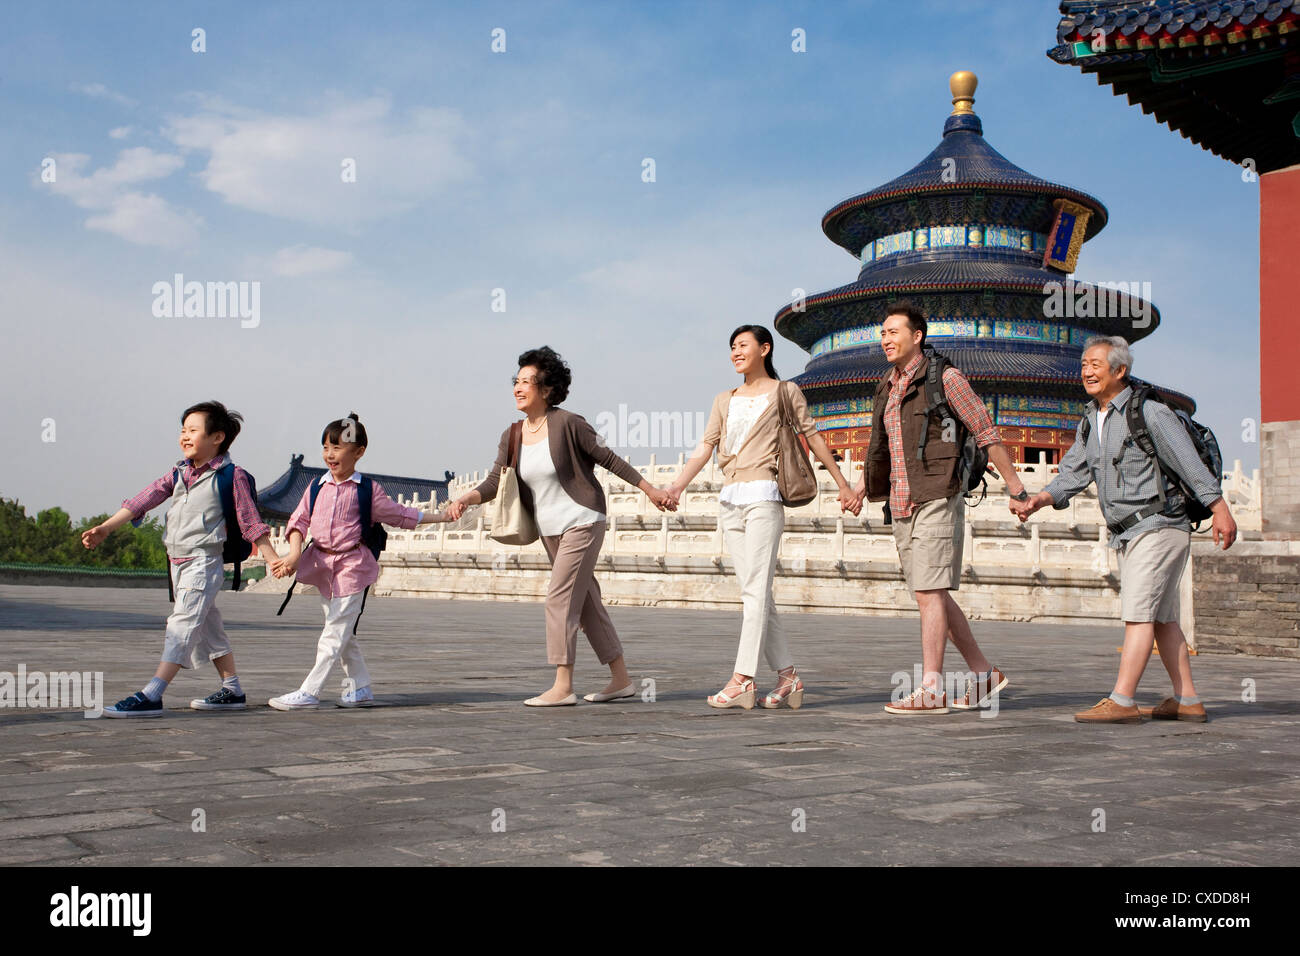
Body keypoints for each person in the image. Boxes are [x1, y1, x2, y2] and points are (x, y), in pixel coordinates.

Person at [1012, 336, 1237, 724]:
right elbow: (1072, 472)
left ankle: (1123, 699)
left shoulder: (1149, 413)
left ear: (1120, 371)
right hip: (1127, 532)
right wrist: (1038, 500)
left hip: (1158, 524)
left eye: (1096, 364)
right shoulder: (1091, 420)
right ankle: (1187, 699)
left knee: (1138, 615)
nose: (1087, 370)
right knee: (1163, 620)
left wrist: (1220, 508)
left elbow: (1188, 462)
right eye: (1084, 364)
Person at [445, 347, 676, 706]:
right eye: (516, 381)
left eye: (526, 382)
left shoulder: (571, 423)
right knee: (586, 604)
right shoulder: (513, 435)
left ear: (546, 389)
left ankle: (562, 684)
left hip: (582, 521)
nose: (517, 388)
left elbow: (609, 458)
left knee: (559, 598)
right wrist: (466, 498)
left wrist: (650, 490)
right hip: (550, 531)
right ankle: (622, 680)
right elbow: (495, 481)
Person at [666, 325, 860, 710]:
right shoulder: (724, 399)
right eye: (732, 347)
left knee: (755, 590)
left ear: (764, 348)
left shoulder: (785, 392)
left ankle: (743, 679)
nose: (736, 352)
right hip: (730, 500)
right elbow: (706, 447)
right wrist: (676, 487)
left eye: (743, 345)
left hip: (764, 497)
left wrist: (843, 484)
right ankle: (788, 677)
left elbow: (813, 437)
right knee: (755, 592)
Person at [854, 301, 1026, 715]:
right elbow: (881, 448)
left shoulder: (945, 379)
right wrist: (861, 488)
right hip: (899, 502)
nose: (885, 340)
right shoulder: (887, 386)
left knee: (931, 591)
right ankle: (984, 673)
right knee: (930, 595)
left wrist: (1017, 487)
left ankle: (931, 687)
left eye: (894, 332)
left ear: (917, 336)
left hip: (937, 493)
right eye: (882, 333)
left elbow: (985, 429)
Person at [82, 401, 280, 717]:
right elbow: (143, 499)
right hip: (176, 562)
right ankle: (232, 689)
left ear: (217, 437)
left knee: (182, 625)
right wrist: (106, 527)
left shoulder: (232, 475)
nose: (185, 436)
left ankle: (152, 694)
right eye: (183, 430)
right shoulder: (179, 473)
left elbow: (249, 519)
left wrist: (272, 557)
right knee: (208, 627)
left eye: (192, 430)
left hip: (203, 561)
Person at [267, 413, 448, 710]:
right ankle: (360, 687)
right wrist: (294, 554)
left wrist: (442, 515)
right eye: (326, 447)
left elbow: (402, 514)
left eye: (337, 448)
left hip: (353, 566)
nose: (330, 454)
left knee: (335, 630)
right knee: (342, 631)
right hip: (322, 566)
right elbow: (298, 523)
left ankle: (310, 691)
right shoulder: (316, 487)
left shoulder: (366, 490)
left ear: (359, 452)